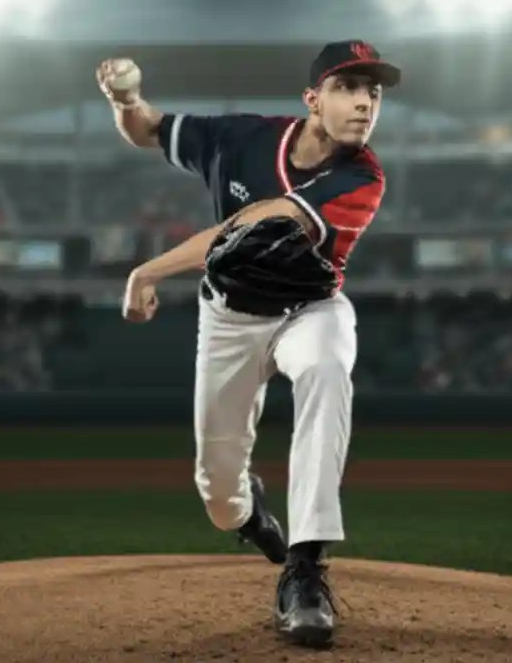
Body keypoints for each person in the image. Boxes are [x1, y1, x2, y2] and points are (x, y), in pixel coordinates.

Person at [97, 40, 398, 648]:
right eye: (348, 87)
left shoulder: (361, 177)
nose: (365, 103)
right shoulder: (241, 138)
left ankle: (306, 569)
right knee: (216, 493)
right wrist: (124, 99)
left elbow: (256, 222)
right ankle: (251, 514)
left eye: (374, 91)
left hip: (309, 311)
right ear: (313, 99)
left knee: (326, 368)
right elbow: (149, 130)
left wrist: (148, 270)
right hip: (229, 322)